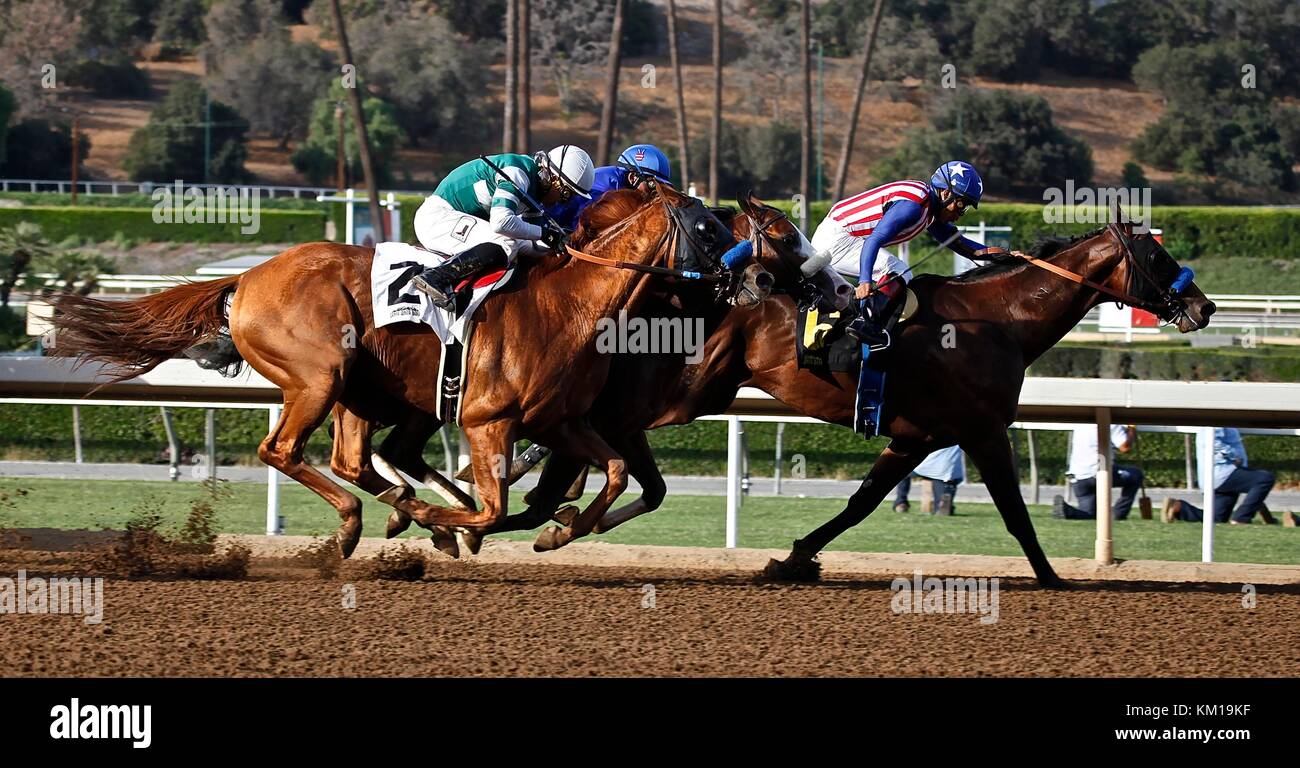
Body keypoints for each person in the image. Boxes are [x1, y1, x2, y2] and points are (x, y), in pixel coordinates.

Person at [808, 161, 1014, 348]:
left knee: (899, 271)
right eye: (961, 204)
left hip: (844, 236)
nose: (960, 213)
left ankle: (871, 320)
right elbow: (874, 240)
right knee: (898, 269)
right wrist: (864, 281)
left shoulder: (929, 208)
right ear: (945, 193)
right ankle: (866, 323)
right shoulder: (913, 207)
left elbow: (964, 247)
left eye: (965, 208)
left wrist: (1007, 257)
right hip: (837, 240)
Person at [410, 145, 596, 309]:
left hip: (458, 221)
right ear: (554, 179)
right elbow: (501, 223)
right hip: (438, 218)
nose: (563, 203)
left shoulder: (536, 190)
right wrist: (545, 233)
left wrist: (559, 244)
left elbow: (532, 243)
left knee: (524, 248)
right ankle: (436, 277)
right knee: (505, 242)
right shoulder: (518, 172)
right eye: (566, 195)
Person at [1162, 428, 1282, 525]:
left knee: (1216, 519)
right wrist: (1234, 456)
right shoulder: (1219, 414)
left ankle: (1178, 507)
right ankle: (1242, 518)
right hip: (1223, 473)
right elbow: (1213, 441)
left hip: (1215, 478)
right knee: (1264, 478)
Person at [546, 144, 672, 231]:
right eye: (652, 185)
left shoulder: (624, 187)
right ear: (633, 178)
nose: (657, 192)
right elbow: (583, 228)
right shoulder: (605, 189)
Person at [1052, 424, 1144, 520]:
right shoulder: (1110, 424)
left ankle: (1067, 511)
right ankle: (1118, 513)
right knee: (1136, 474)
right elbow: (1125, 447)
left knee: (1089, 514)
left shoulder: (1081, 424)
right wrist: (1132, 429)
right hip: (1099, 474)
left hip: (1078, 477)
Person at [893, 446, 964, 516]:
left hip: (925, 465)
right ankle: (943, 503)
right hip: (945, 470)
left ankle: (901, 502)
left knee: (902, 471)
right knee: (946, 489)